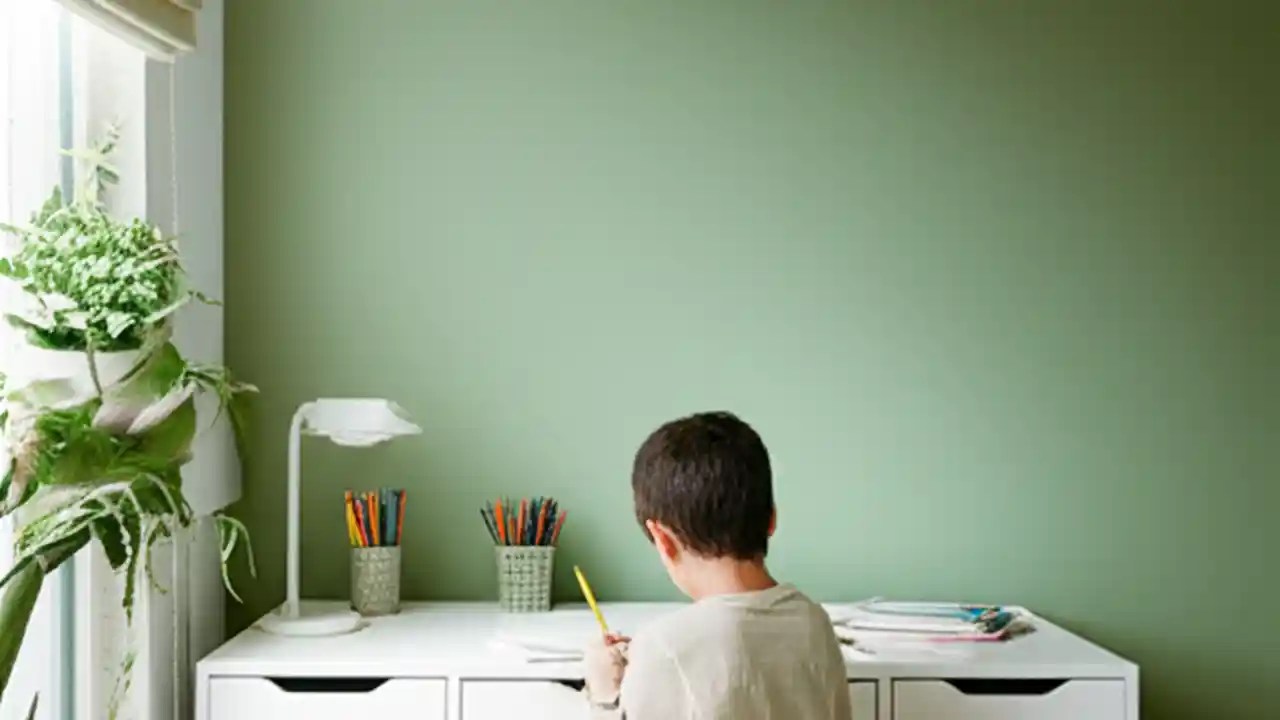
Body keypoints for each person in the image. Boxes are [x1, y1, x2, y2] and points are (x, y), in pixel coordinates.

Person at [584, 412, 852, 719]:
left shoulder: (664, 647)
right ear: (771, 519)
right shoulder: (814, 623)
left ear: (662, 540)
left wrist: (604, 698)